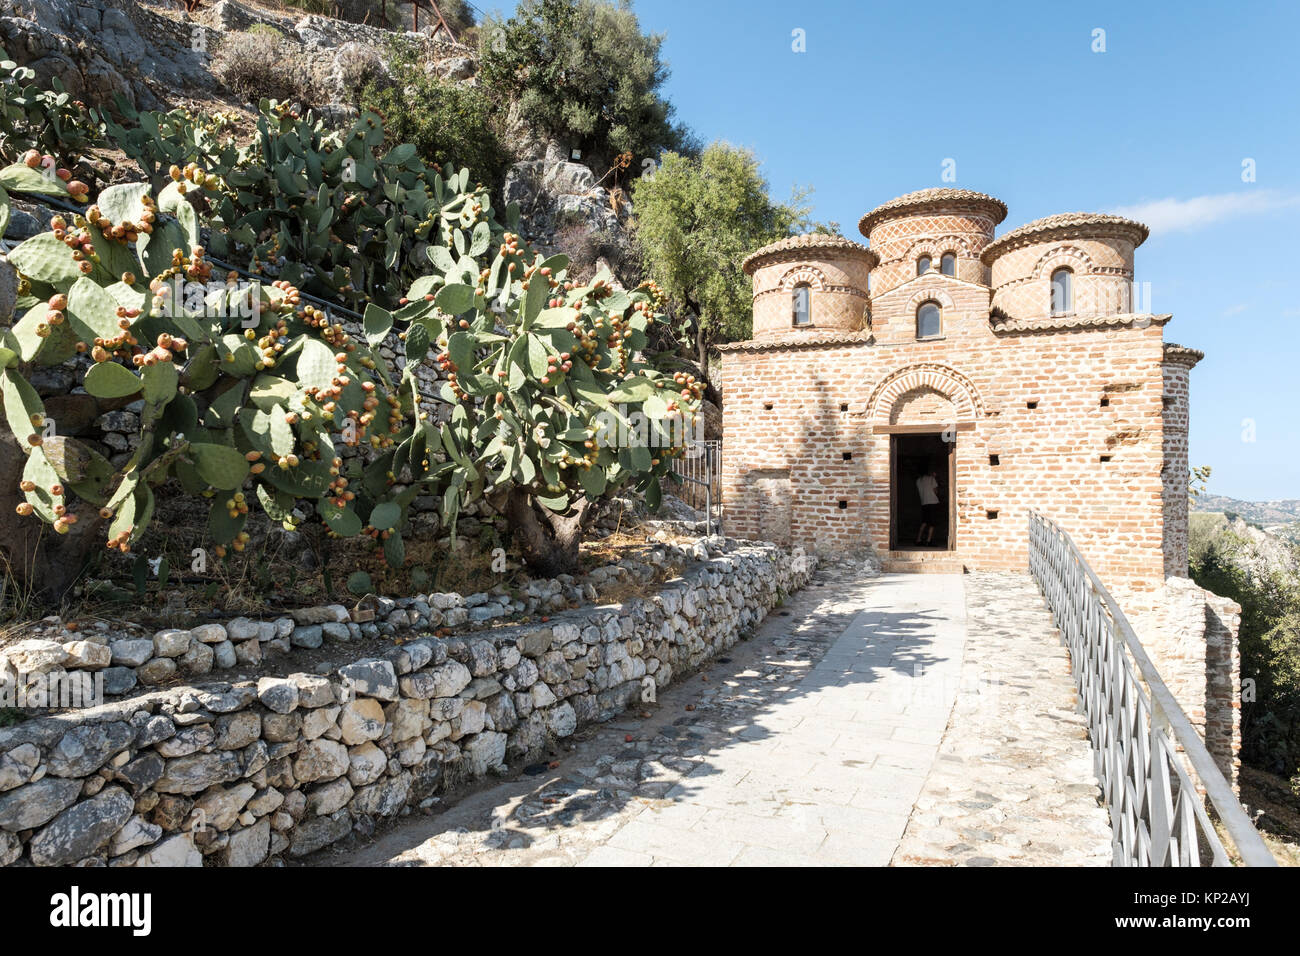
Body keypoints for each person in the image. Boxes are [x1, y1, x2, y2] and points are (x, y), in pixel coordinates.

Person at [916, 466, 941, 545]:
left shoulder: (918, 481)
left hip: (924, 503)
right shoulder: (931, 479)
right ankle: (928, 541)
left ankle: (918, 539)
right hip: (933, 502)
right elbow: (935, 491)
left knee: (924, 521)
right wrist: (934, 478)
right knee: (932, 523)